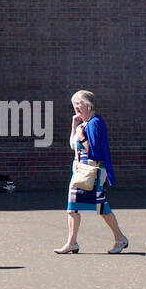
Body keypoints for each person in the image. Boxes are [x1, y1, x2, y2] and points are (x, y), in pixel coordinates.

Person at [55, 89, 129, 254]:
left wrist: (81, 136)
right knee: (76, 206)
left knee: (99, 206)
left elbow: (94, 150)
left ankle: (120, 238)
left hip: (91, 171)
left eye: (78, 103)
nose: (75, 106)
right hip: (83, 171)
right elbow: (73, 146)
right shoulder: (84, 124)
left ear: (88, 105)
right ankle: (73, 242)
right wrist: (74, 128)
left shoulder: (95, 123)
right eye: (74, 103)